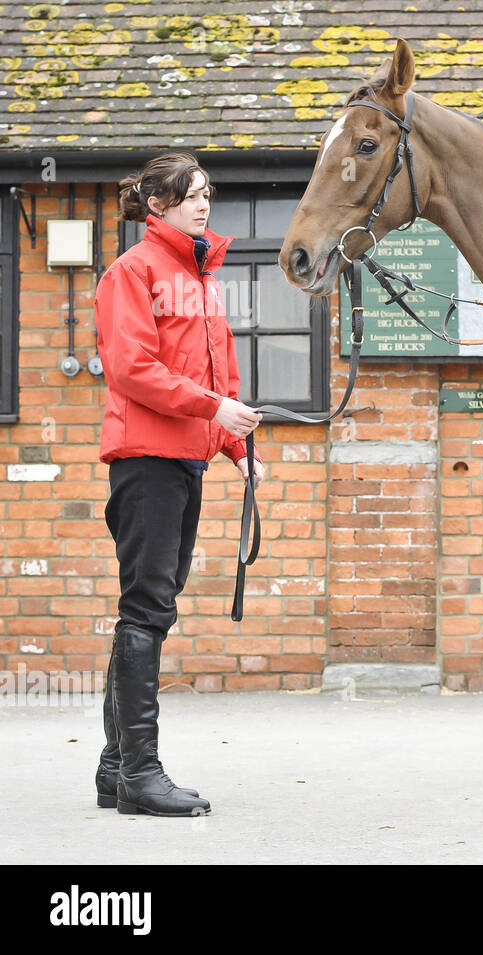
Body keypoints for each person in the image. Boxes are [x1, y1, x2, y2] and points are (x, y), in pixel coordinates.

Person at [94, 153, 265, 816]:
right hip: (147, 459)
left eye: (208, 193)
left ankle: (116, 768)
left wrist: (236, 447)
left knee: (149, 608)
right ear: (157, 206)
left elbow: (218, 378)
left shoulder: (199, 278)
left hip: (184, 458)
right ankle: (140, 773)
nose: (204, 204)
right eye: (191, 195)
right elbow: (132, 369)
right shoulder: (132, 272)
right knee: (147, 610)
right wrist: (215, 413)